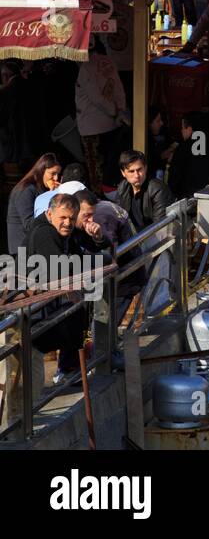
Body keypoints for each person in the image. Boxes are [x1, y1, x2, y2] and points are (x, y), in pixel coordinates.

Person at [25, 193, 89, 385]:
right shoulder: (45, 232)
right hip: (27, 316)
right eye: (62, 217)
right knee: (27, 388)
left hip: (41, 309)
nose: (68, 223)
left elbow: (81, 259)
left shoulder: (64, 233)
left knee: (77, 316)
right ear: (49, 213)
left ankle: (70, 369)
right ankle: (68, 370)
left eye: (71, 218)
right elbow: (61, 267)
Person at [75, 39, 129, 193]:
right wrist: (120, 110)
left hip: (92, 127)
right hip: (111, 124)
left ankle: (99, 202)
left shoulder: (86, 67)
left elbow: (96, 97)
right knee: (110, 166)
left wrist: (113, 110)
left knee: (96, 171)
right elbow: (119, 88)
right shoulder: (108, 61)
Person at [166, 112, 209, 199]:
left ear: (190, 129)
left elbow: (173, 181)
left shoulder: (183, 148)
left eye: (182, 128)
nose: (181, 131)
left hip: (189, 201)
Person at [5, 153, 60, 256]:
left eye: (58, 174)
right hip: (21, 250)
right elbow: (29, 224)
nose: (56, 178)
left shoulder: (41, 189)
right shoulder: (25, 190)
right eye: (52, 173)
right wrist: (50, 196)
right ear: (41, 171)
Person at [114, 149, 176, 233]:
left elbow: (159, 226)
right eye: (131, 171)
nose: (136, 175)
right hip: (132, 236)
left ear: (145, 168)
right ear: (123, 173)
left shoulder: (158, 189)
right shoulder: (123, 187)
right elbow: (118, 219)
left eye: (139, 170)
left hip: (153, 237)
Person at [146, 106, 176, 180]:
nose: (161, 123)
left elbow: (172, 145)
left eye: (161, 120)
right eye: (158, 121)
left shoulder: (164, 133)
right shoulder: (144, 138)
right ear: (149, 123)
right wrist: (161, 157)